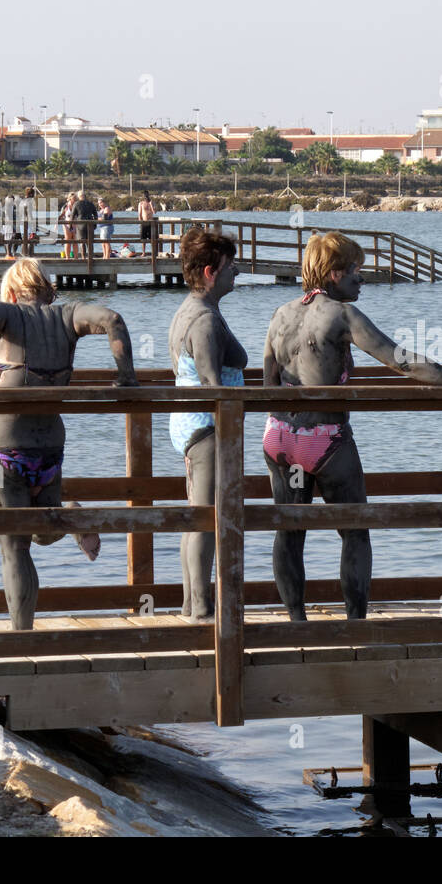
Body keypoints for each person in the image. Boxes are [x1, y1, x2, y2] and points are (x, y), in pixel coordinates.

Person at [262, 231, 442, 621]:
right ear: (333, 273)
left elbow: (268, 381)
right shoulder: (342, 315)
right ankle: (356, 624)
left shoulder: (281, 313)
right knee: (355, 530)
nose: (362, 279)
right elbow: (401, 360)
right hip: (325, 440)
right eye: (356, 271)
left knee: (289, 530)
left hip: (279, 437)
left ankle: (296, 623)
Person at [0, 258, 138, 629]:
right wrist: (127, 380)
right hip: (49, 451)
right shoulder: (67, 316)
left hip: (3, 454)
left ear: (11, 292)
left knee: (15, 549)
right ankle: (70, 513)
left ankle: (22, 639)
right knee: (42, 534)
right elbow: (112, 319)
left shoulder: (8, 314)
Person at [167, 229, 246, 620]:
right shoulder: (204, 320)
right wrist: (229, 424)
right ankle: (200, 610)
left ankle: (191, 605)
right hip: (207, 427)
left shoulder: (190, 308)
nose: (239, 273)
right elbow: (212, 383)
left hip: (190, 424)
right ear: (212, 272)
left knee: (197, 513)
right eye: (232, 267)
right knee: (207, 517)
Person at [72, 191, 98, 259]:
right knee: (90, 242)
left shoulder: (76, 204)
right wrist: (95, 224)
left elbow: (72, 215)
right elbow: (95, 215)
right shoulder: (90, 204)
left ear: (78, 196)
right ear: (85, 196)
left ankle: (83, 258)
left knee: (82, 242)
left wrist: (70, 225)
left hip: (80, 225)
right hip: (90, 224)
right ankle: (90, 258)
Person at [137, 190, 155, 257]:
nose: (146, 197)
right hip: (144, 222)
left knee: (152, 238)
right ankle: (143, 252)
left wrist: (151, 205)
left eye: (147, 195)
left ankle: (153, 252)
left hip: (151, 223)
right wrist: (140, 222)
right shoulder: (141, 203)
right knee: (143, 239)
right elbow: (139, 214)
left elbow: (154, 212)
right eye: (145, 195)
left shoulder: (151, 202)